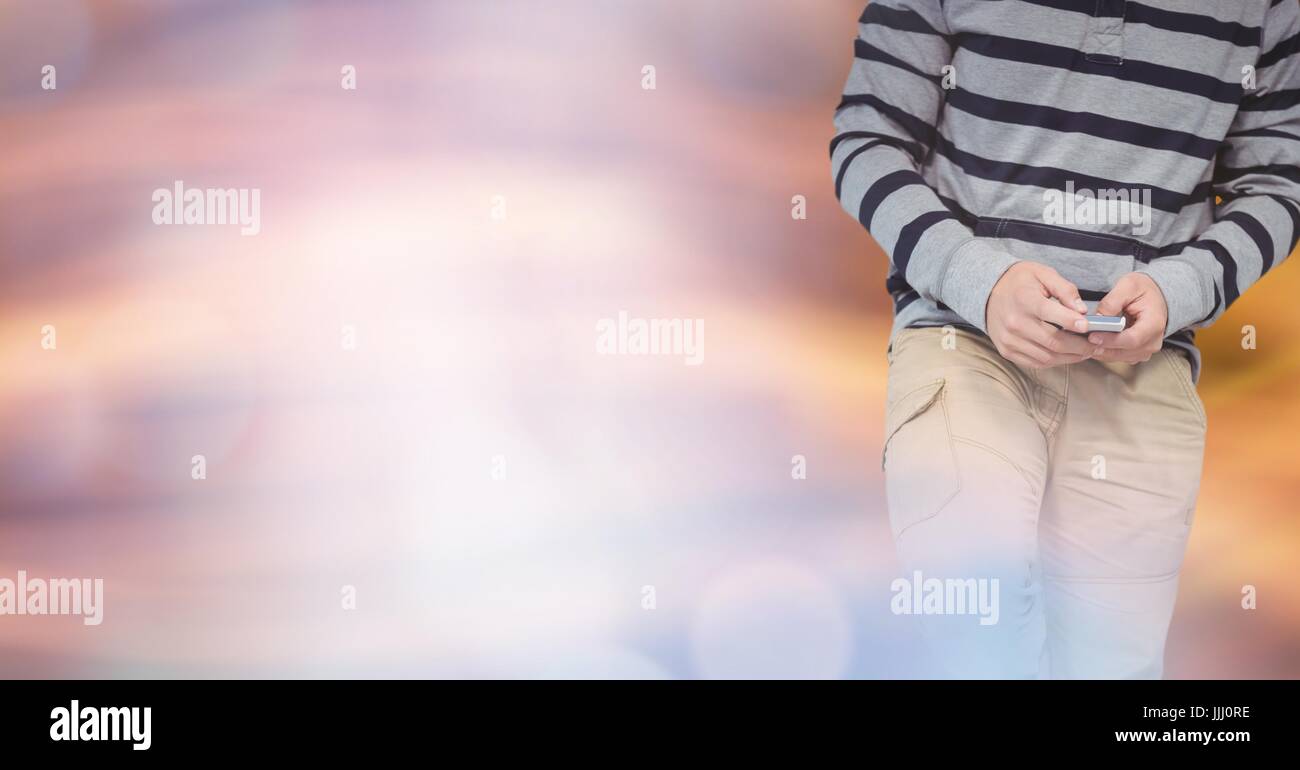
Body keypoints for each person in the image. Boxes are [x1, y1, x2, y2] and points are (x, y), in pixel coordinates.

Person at [832, 0, 1300, 678]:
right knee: (977, 629)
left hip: (1142, 374)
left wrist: (1182, 289)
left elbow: (1281, 181)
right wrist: (980, 282)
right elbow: (867, 138)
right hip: (964, 344)